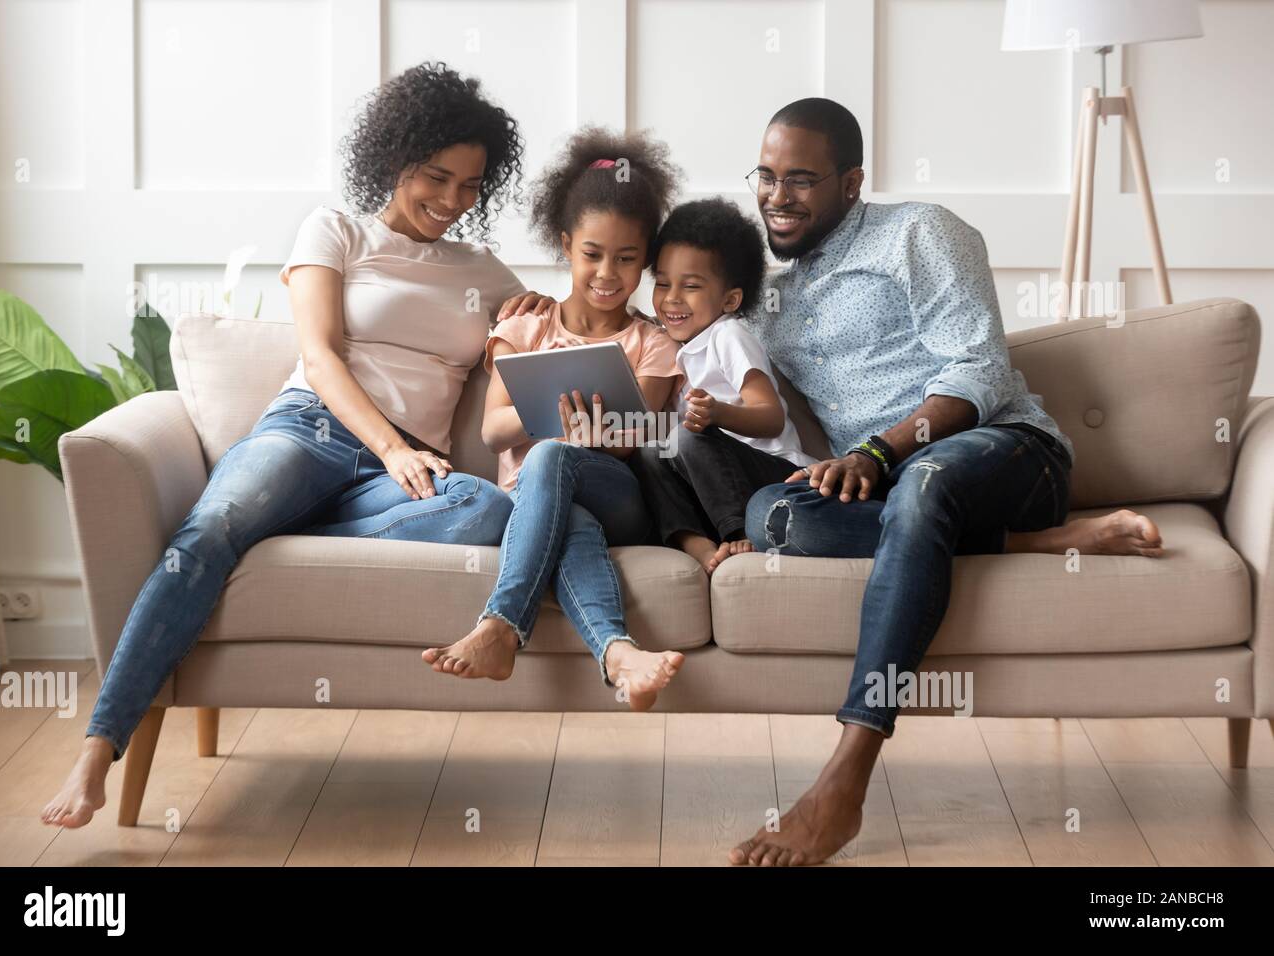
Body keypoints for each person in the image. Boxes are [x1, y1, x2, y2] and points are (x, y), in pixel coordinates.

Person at [42, 62, 527, 829]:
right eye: (439, 177)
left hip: (404, 468)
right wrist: (390, 447)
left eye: (472, 186)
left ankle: (277, 525)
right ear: (397, 158)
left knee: (484, 510)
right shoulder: (334, 230)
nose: (453, 201)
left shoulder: (484, 272)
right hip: (315, 430)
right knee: (207, 532)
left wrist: (535, 318)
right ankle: (101, 746)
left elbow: (556, 329)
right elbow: (323, 354)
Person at [725, 98, 1165, 866]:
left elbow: (979, 369)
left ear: (852, 182)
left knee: (925, 485)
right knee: (774, 518)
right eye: (765, 176)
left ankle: (845, 778)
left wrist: (880, 453)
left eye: (801, 179)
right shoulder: (765, 296)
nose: (776, 196)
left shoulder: (920, 233)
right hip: (892, 486)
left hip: (1001, 451)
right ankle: (1035, 545)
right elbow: (678, 327)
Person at [421, 128, 688, 711]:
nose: (607, 274)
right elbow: (493, 432)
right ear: (566, 245)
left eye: (626, 259)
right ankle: (619, 655)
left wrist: (574, 433)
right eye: (592, 254)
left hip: (621, 497)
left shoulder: (653, 342)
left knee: (550, 456)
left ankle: (500, 626)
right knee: (570, 521)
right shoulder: (522, 330)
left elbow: (632, 443)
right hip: (534, 506)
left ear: (645, 259)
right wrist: (551, 415)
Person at [630, 197, 815, 574]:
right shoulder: (672, 343)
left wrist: (719, 414)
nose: (672, 299)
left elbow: (771, 417)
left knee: (687, 438)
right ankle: (695, 542)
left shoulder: (727, 335)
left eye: (691, 286)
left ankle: (736, 534)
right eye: (662, 283)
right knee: (650, 452)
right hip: (717, 481)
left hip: (775, 476)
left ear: (730, 299)